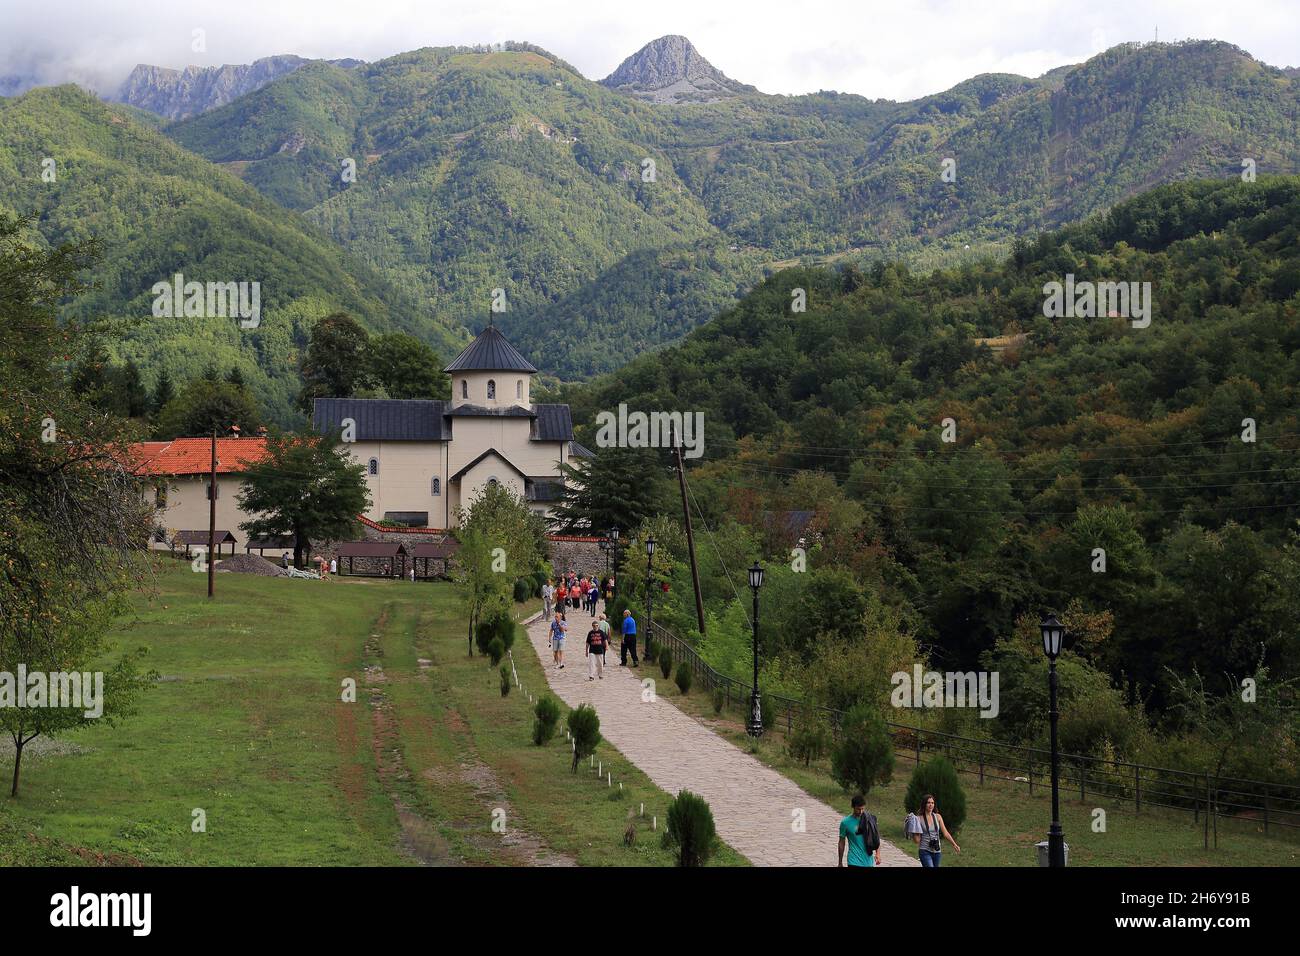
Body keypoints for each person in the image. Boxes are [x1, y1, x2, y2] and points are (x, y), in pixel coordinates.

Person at [909, 794, 960, 867]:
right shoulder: (919, 819)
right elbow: (917, 841)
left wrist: (954, 844)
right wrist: (913, 830)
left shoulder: (938, 817)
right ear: (924, 804)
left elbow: (945, 833)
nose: (931, 805)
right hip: (924, 850)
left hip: (937, 851)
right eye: (928, 803)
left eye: (932, 803)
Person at [838, 794, 879, 868]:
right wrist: (840, 862)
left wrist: (878, 854)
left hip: (868, 861)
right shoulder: (845, 823)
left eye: (862, 809)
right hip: (854, 861)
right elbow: (841, 842)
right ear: (853, 807)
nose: (861, 811)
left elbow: (875, 838)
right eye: (858, 809)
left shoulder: (870, 820)